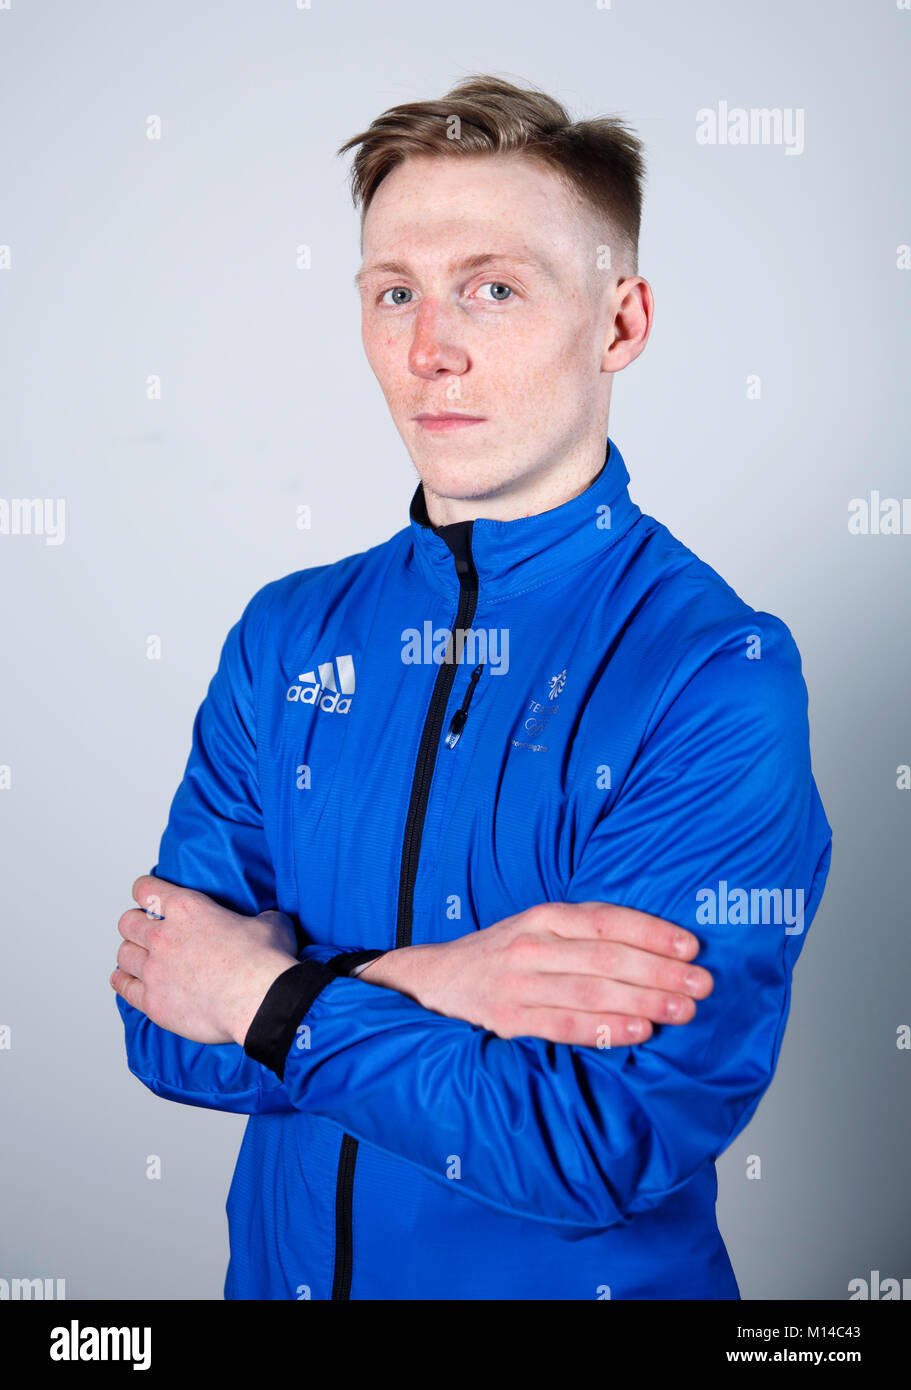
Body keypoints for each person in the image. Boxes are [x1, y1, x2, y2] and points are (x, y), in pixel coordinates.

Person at [111, 74, 832, 1300]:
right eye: (394, 292)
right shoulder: (285, 636)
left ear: (618, 324)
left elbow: (592, 1140)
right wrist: (434, 979)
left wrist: (267, 997)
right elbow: (163, 1019)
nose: (427, 347)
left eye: (491, 287)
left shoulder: (715, 677)